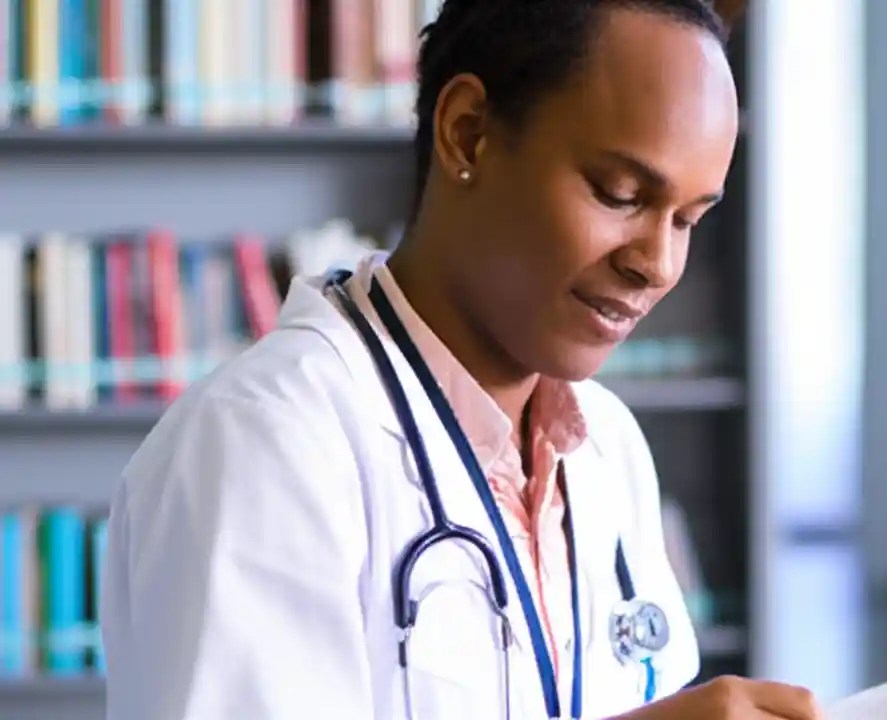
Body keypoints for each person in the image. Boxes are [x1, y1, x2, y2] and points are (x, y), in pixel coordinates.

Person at [101, 1, 821, 718]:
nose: (657, 264)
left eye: (688, 220)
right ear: (467, 134)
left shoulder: (607, 447)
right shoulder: (265, 442)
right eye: (620, 195)